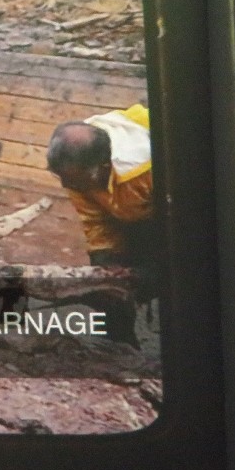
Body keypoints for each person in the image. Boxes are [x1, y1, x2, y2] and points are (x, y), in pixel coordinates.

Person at [46, 104, 156, 345]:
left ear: (104, 167)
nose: (66, 185)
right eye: (61, 178)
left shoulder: (150, 164)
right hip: (128, 217)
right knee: (109, 283)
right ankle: (118, 344)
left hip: (170, 220)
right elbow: (95, 221)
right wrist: (105, 261)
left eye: (74, 180)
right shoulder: (77, 170)